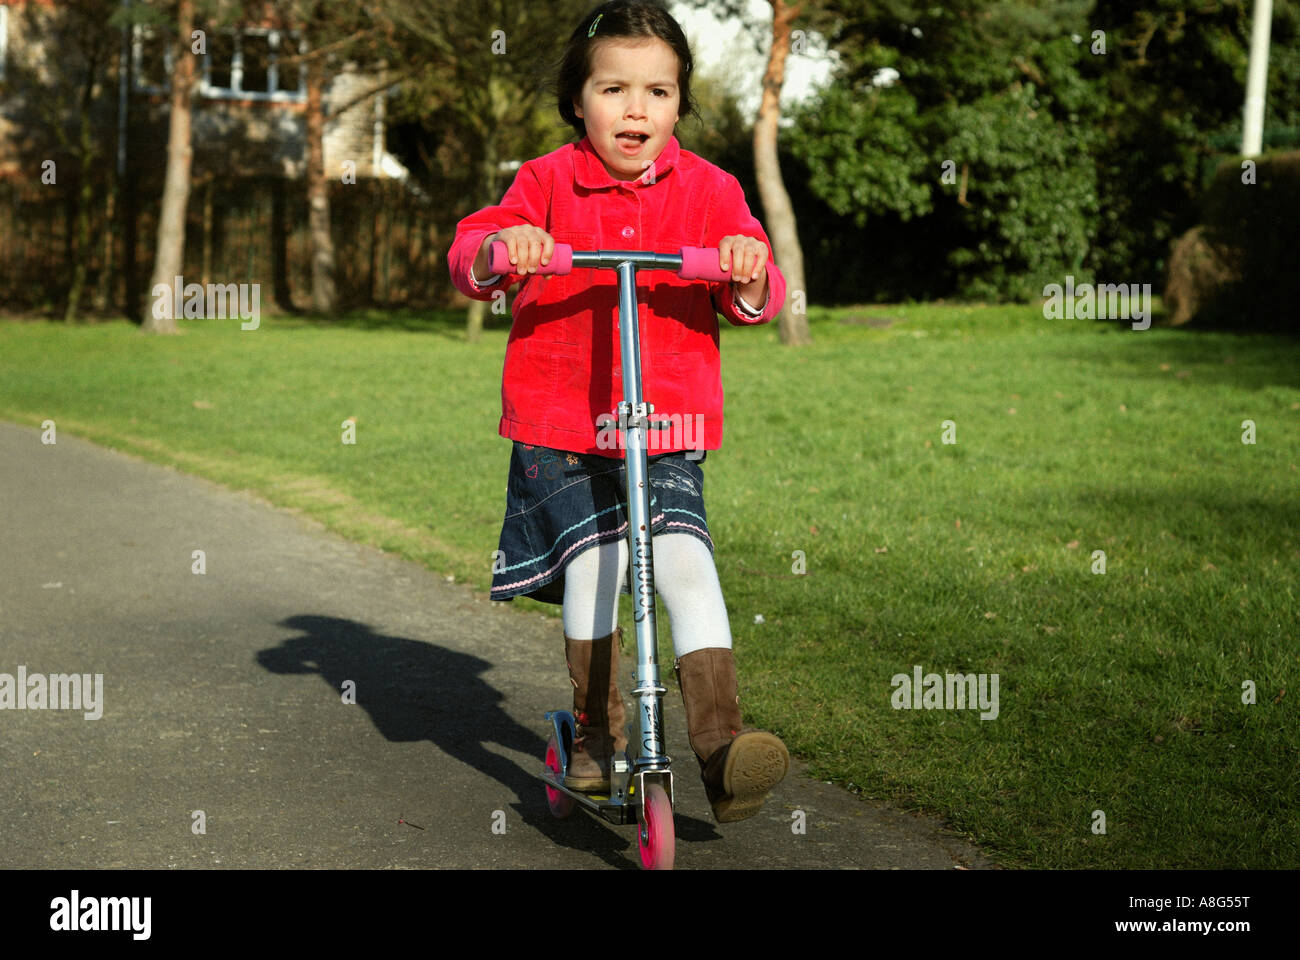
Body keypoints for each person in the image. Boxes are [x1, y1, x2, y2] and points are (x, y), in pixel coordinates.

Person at [447, 0, 789, 823]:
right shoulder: (545, 182)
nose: (636, 109)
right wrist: (506, 249)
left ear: (679, 102)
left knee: (685, 565)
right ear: (578, 100)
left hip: (664, 425)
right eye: (613, 89)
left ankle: (720, 748)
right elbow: (472, 253)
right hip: (564, 428)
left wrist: (745, 267)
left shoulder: (710, 190)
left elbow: (760, 292)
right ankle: (598, 739)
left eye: (659, 92)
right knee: (597, 570)